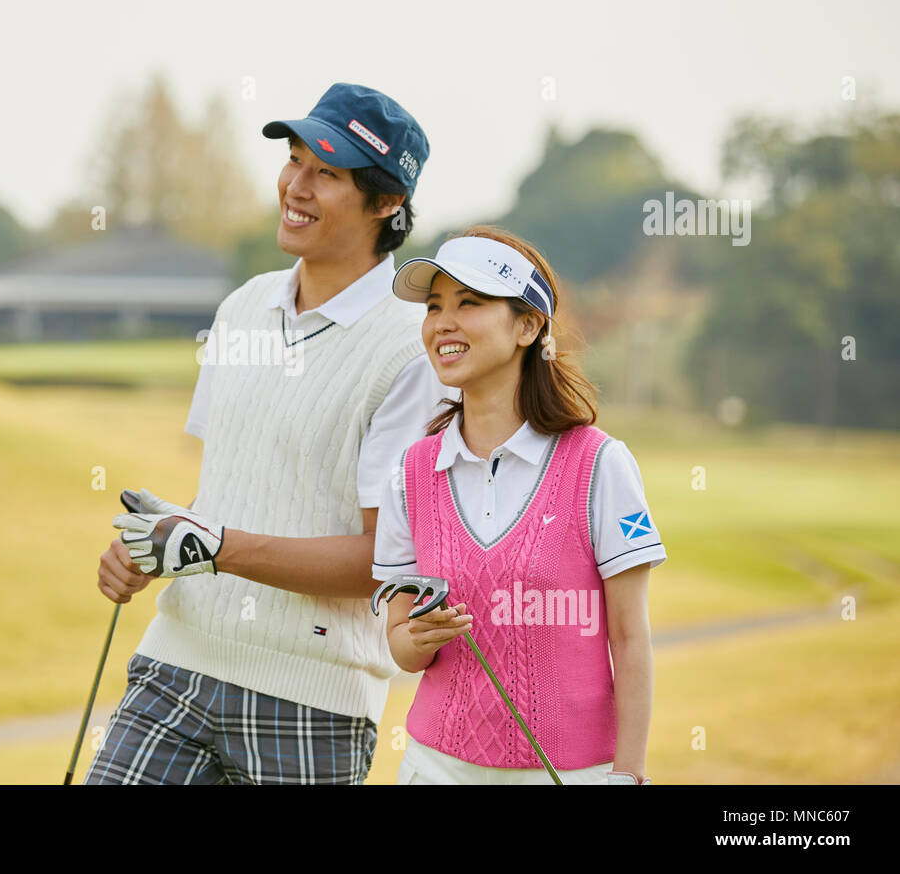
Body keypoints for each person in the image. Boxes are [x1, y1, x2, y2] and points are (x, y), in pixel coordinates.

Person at [84, 83, 455, 784]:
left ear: (387, 204)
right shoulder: (242, 307)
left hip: (312, 706)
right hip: (176, 664)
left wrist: (216, 548)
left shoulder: (410, 352)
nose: (296, 185)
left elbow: (386, 560)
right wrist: (160, 544)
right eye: (293, 160)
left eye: (328, 173)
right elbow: (231, 492)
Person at [374, 225, 665, 785]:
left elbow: (630, 639)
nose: (443, 323)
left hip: (572, 772)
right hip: (433, 769)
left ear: (528, 326)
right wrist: (417, 638)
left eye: (470, 302)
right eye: (434, 307)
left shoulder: (600, 465)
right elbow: (400, 648)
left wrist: (628, 776)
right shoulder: (410, 473)